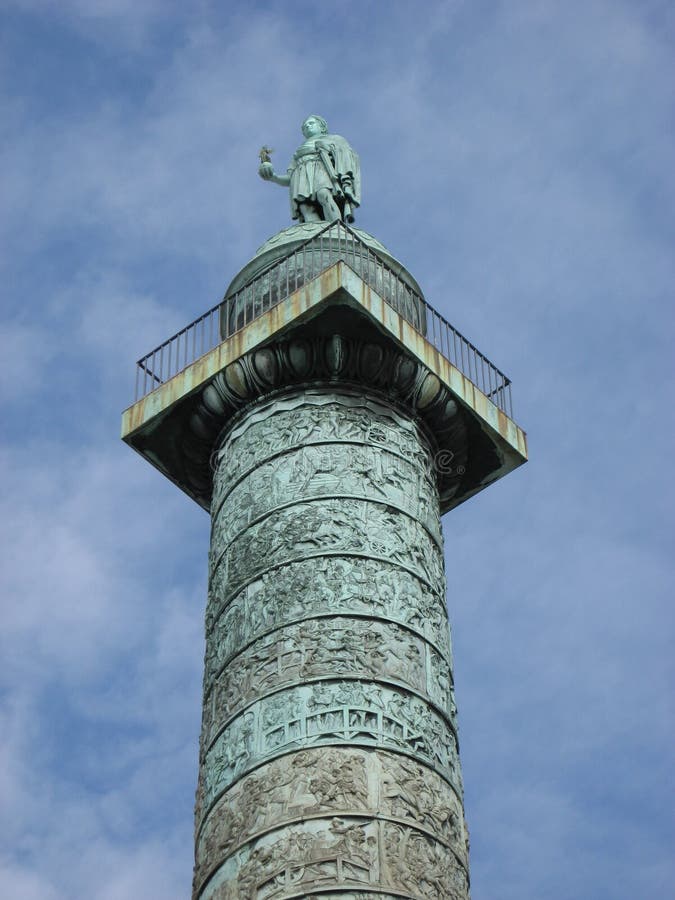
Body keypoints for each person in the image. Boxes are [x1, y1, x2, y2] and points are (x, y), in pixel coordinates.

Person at [258, 115, 361, 223]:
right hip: (300, 175)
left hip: (321, 169)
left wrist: (328, 150)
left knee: (324, 195)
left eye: (311, 123)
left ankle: (337, 227)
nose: (307, 126)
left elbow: (346, 156)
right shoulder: (298, 153)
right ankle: (317, 232)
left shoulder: (334, 139)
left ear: (322, 127)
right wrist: (273, 177)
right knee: (305, 207)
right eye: (304, 127)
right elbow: (290, 177)